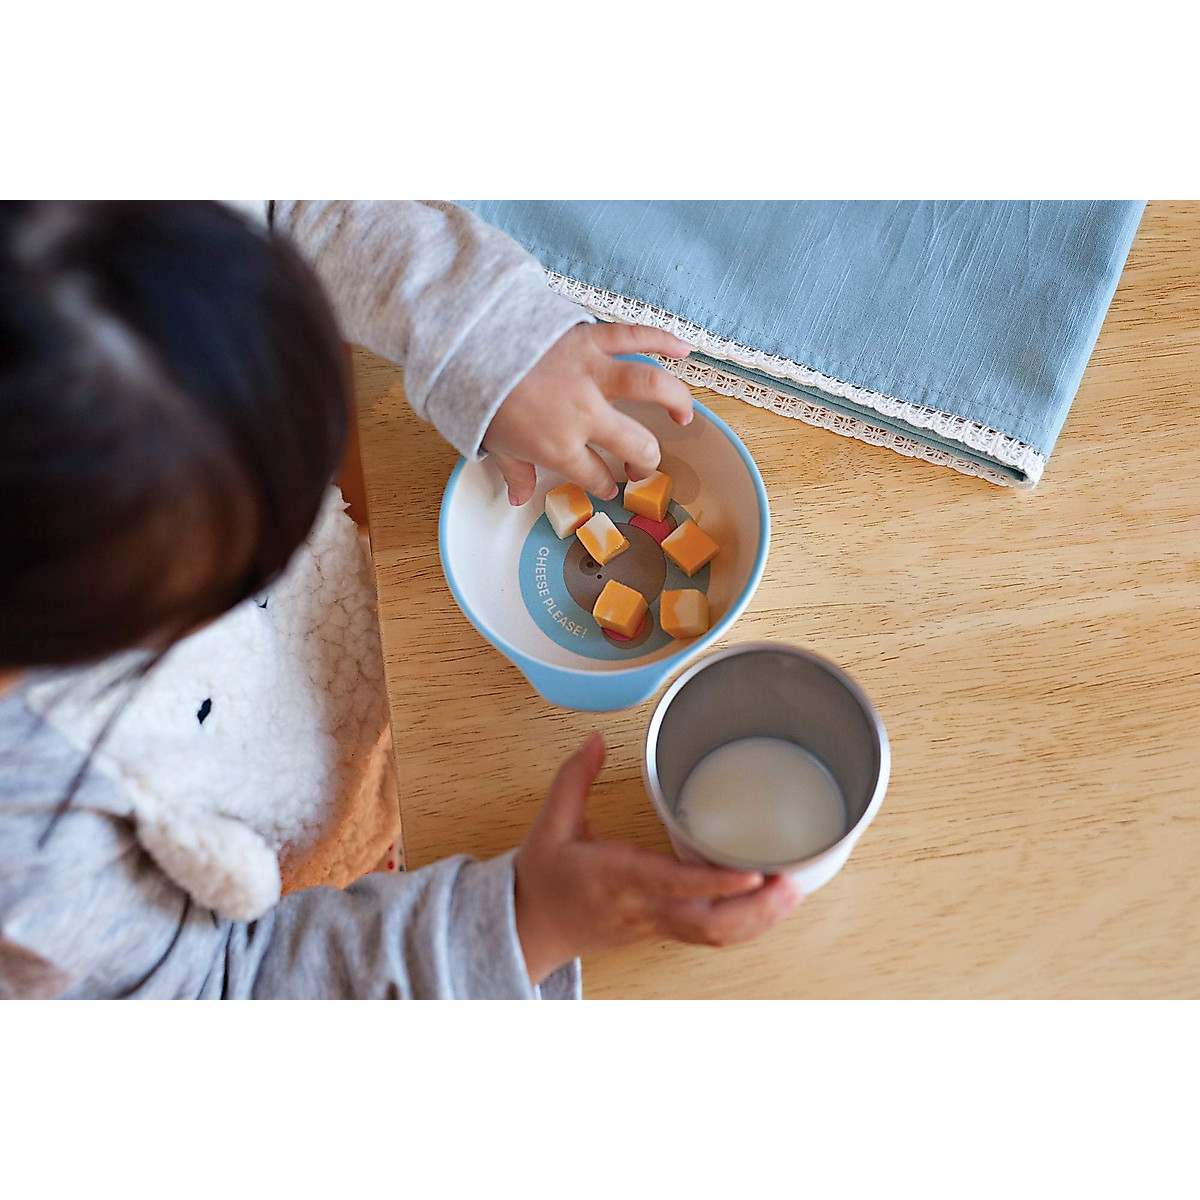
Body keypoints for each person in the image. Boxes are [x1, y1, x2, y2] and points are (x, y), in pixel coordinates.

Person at [0, 200, 801, 999]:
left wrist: (494, 342)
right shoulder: (31, 871)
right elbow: (223, 989)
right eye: (237, 578)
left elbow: (287, 199)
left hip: (366, 720)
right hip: (293, 893)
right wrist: (529, 925)